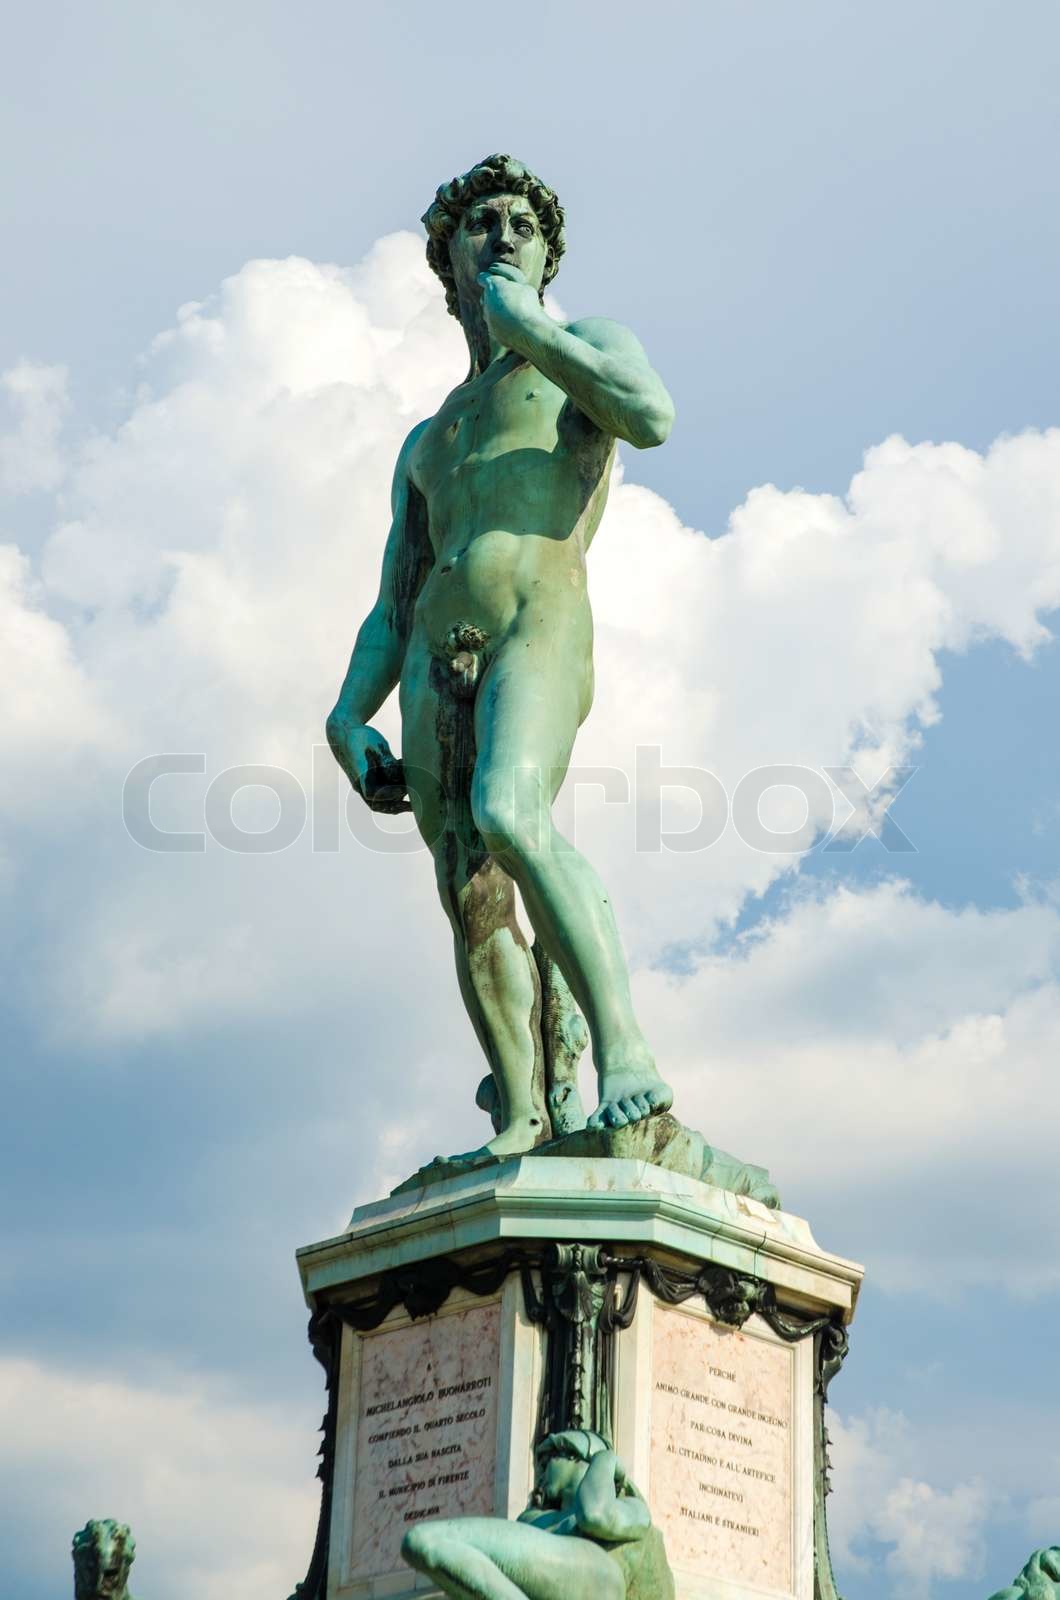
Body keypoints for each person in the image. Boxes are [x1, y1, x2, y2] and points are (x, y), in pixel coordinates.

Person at [327, 154, 675, 1162]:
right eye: (483, 222)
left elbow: (649, 417)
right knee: (468, 883)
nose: (507, 234)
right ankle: (525, 1110)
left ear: (547, 253)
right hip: (438, 657)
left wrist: (530, 329)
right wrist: (347, 714)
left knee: (509, 812)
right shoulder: (429, 438)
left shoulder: (580, 348)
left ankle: (627, 1058)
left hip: (539, 623)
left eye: (524, 221)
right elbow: (392, 600)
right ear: (448, 261)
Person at [401, 1429, 673, 1600]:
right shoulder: (533, 1520)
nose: (540, 1473)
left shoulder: (630, 1506)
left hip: (600, 1584)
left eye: (548, 1460)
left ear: (577, 1456)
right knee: (425, 1546)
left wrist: (605, 1459)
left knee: (425, 1540)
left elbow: (595, 1514)